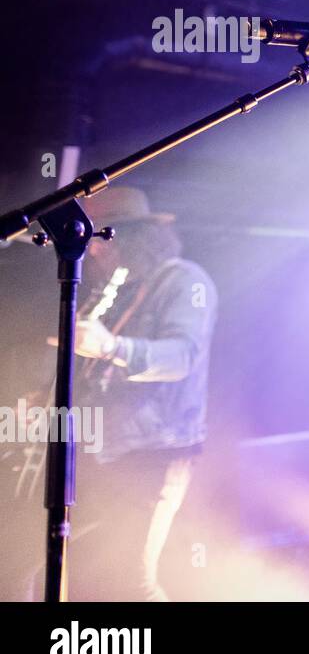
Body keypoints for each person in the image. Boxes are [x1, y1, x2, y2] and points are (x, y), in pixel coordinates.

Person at [63, 186, 217, 601]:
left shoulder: (184, 281)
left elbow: (182, 357)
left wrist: (112, 347)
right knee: (82, 572)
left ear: (135, 237)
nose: (93, 253)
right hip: (109, 452)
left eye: (102, 241)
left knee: (132, 583)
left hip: (156, 452)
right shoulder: (122, 289)